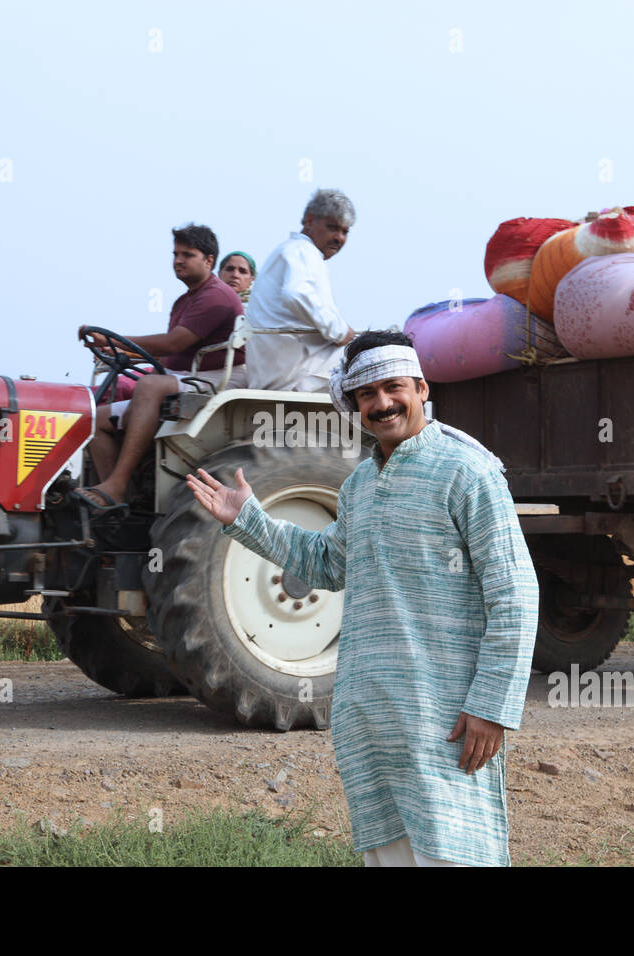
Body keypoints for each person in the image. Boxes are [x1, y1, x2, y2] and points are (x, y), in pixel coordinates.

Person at [185, 330, 538, 866]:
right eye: (365, 395)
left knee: (456, 851)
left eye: (393, 387)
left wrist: (492, 705)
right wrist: (250, 522)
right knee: (389, 854)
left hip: (446, 715)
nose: (381, 404)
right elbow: (327, 564)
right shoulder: (359, 485)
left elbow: (515, 592)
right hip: (370, 716)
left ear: (421, 388)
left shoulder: (468, 471)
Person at [81, 223, 246, 506]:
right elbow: (169, 356)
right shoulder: (186, 300)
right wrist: (115, 350)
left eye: (187, 254)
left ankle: (118, 484)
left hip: (215, 380)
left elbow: (173, 343)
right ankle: (115, 502)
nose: (178, 260)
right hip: (185, 375)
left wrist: (117, 340)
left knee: (149, 385)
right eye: (176, 254)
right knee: (93, 420)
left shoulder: (216, 296)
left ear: (208, 260)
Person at [244, 188, 358, 391]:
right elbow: (295, 293)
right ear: (309, 221)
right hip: (294, 372)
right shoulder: (303, 251)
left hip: (277, 369)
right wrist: (340, 332)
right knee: (379, 353)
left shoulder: (288, 251)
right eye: (332, 227)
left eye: (345, 231)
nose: (339, 238)